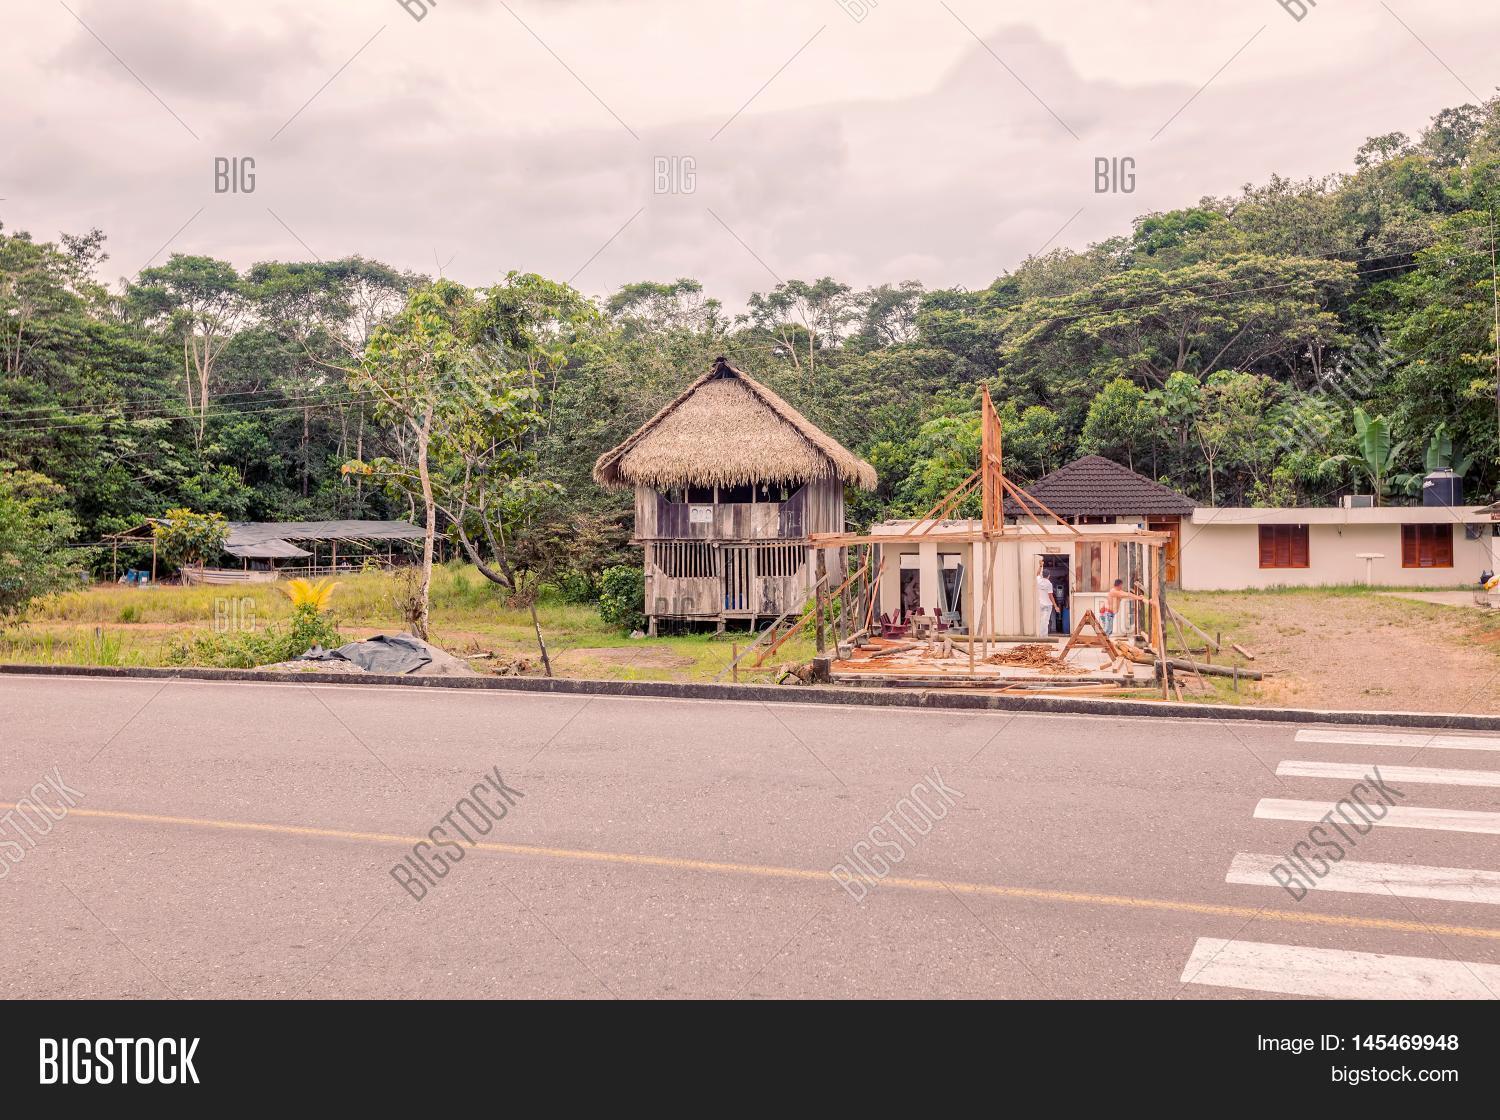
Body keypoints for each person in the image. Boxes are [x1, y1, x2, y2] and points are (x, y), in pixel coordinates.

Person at [1036, 567, 1060, 636]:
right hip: (1047, 605)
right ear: (1049, 575)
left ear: (1042, 575)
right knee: (1045, 622)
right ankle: (1044, 637)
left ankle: (1041, 636)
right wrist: (1055, 606)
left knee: (1041, 621)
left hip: (1040, 604)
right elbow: (1050, 596)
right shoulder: (1049, 584)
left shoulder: (1039, 581)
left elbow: (1037, 574)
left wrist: (1040, 566)